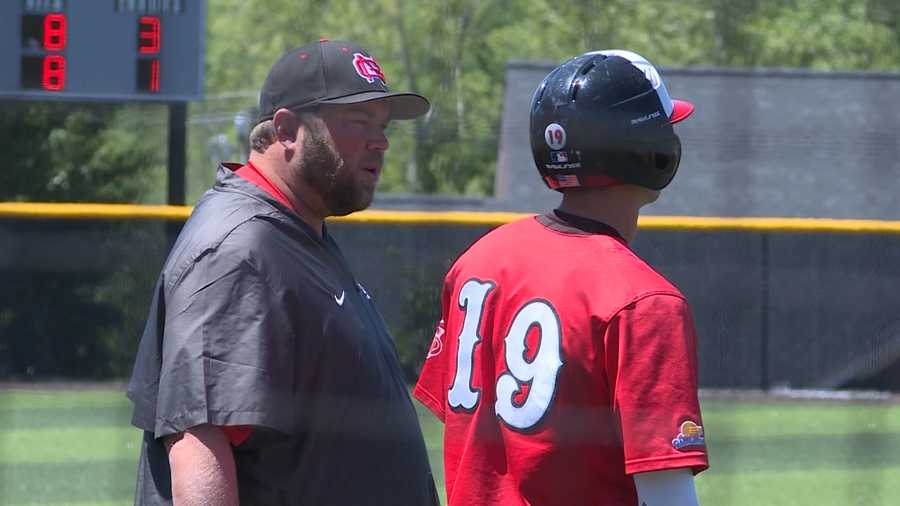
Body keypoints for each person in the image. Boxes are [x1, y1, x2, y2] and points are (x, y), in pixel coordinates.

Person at [127, 39, 439, 505]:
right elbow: (200, 443)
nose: (381, 141)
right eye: (359, 122)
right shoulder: (239, 251)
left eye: (383, 125)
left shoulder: (298, 232)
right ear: (287, 129)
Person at [414, 50, 709, 506]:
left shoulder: (477, 261)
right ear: (648, 151)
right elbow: (665, 489)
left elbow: (457, 419)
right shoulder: (644, 299)